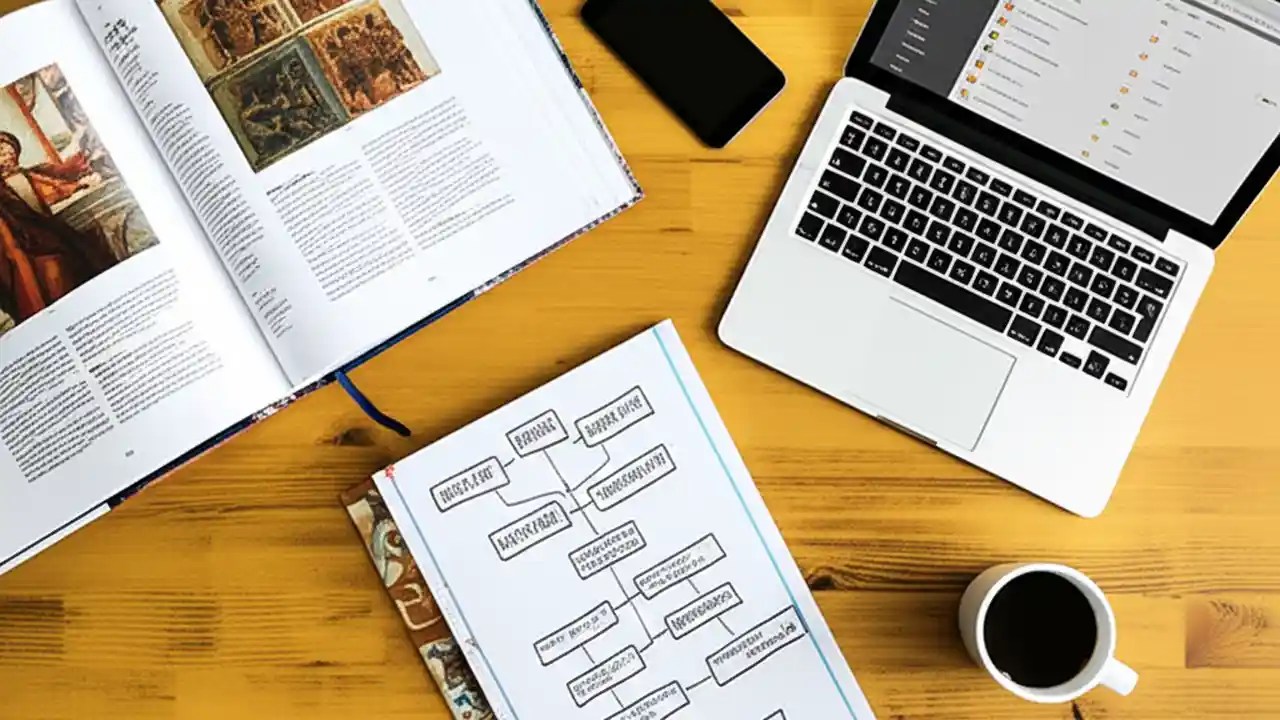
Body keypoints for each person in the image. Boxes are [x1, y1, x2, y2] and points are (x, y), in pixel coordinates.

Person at [0, 131, 114, 327]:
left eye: (10, 150)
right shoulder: (6, 186)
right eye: (2, 151)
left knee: (84, 247)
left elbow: (52, 189)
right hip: (29, 244)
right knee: (60, 264)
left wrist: (78, 185)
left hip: (41, 234)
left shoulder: (24, 174)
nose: (8, 155)